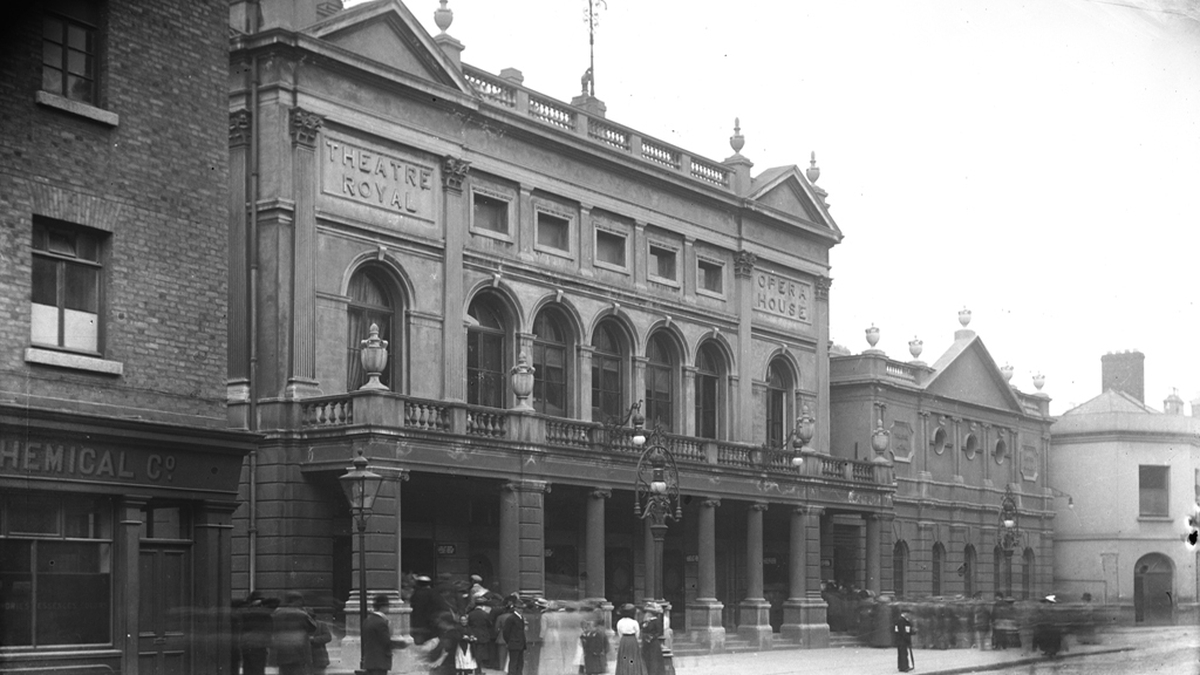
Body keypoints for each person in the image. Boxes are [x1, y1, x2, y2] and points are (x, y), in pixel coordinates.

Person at [272, 591, 318, 675]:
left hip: (282, 649)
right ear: (295, 600)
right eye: (300, 600)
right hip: (298, 650)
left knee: (284, 671)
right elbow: (313, 627)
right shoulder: (301, 614)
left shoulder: (277, 613)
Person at [363, 593, 409, 675]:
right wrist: (402, 644)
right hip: (380, 662)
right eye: (387, 606)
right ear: (382, 607)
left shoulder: (367, 620)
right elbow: (386, 642)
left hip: (370, 661)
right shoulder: (381, 623)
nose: (388, 609)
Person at [240, 591, 273, 675]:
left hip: (246, 644)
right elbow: (276, 601)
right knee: (258, 669)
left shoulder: (245, 612)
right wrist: (262, 601)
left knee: (247, 669)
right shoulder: (263, 613)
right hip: (258, 645)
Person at [499, 595, 527, 675]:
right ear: (515, 608)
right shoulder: (511, 618)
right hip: (514, 643)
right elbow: (506, 632)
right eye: (519, 608)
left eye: (522, 608)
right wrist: (510, 641)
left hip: (520, 643)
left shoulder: (520, 618)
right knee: (513, 663)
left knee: (520, 662)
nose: (521, 610)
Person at [614, 604, 645, 675]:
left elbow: (619, 632)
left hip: (624, 640)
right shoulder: (634, 622)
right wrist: (634, 639)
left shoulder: (620, 622)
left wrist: (623, 639)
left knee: (624, 657)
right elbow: (637, 633)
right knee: (633, 657)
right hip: (632, 640)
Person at [639, 603, 665, 675]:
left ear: (652, 614)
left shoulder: (656, 621)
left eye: (648, 613)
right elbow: (641, 627)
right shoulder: (646, 621)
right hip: (645, 642)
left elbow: (659, 631)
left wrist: (652, 637)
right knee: (646, 658)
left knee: (653, 659)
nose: (646, 614)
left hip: (653, 643)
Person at [309, 609, 333, 675]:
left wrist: (313, 639)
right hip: (304, 659)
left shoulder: (321, 625)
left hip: (319, 657)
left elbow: (328, 637)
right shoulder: (301, 627)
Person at [894, 608, 915, 672]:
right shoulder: (901, 620)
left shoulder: (904, 620)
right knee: (903, 653)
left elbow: (907, 629)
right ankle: (904, 667)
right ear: (904, 613)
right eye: (907, 613)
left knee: (903, 653)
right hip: (902, 639)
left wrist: (912, 632)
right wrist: (907, 638)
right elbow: (902, 631)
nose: (908, 614)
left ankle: (902, 666)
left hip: (902, 639)